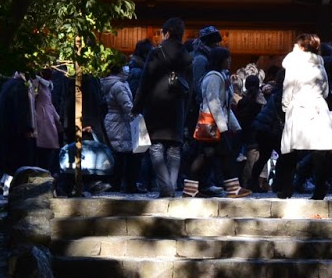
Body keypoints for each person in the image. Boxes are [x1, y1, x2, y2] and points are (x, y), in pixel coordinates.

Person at [277, 34, 332, 198]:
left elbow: (287, 88)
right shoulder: (320, 66)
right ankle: (320, 188)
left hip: (299, 106)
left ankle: (287, 188)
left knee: (290, 151)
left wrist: (286, 108)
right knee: (319, 150)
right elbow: (326, 90)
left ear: (300, 47)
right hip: (318, 106)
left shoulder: (294, 65)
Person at [133, 18, 192, 198]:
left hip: (155, 107)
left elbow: (145, 82)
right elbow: (190, 88)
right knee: (174, 149)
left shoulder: (155, 53)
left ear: (165, 33)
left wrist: (137, 106)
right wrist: (186, 108)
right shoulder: (188, 56)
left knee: (156, 147)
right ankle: (171, 187)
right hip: (177, 107)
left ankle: (166, 188)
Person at [183, 45, 248, 198]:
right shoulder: (213, 77)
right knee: (220, 155)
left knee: (206, 155)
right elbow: (214, 103)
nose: (229, 60)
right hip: (212, 123)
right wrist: (224, 127)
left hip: (214, 122)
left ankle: (190, 189)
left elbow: (224, 104)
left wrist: (234, 126)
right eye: (227, 58)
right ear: (220, 60)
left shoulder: (220, 76)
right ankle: (233, 188)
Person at [101, 57, 140, 194]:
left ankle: (117, 183)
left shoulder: (111, 83)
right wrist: (137, 115)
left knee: (118, 153)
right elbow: (126, 105)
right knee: (124, 154)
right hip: (120, 121)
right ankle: (125, 185)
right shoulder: (119, 85)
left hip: (114, 120)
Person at [28, 69, 62, 186]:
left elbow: (49, 105)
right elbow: (33, 103)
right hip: (42, 123)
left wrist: (58, 120)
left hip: (47, 122)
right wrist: (33, 126)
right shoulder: (37, 83)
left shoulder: (46, 85)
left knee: (46, 155)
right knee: (43, 155)